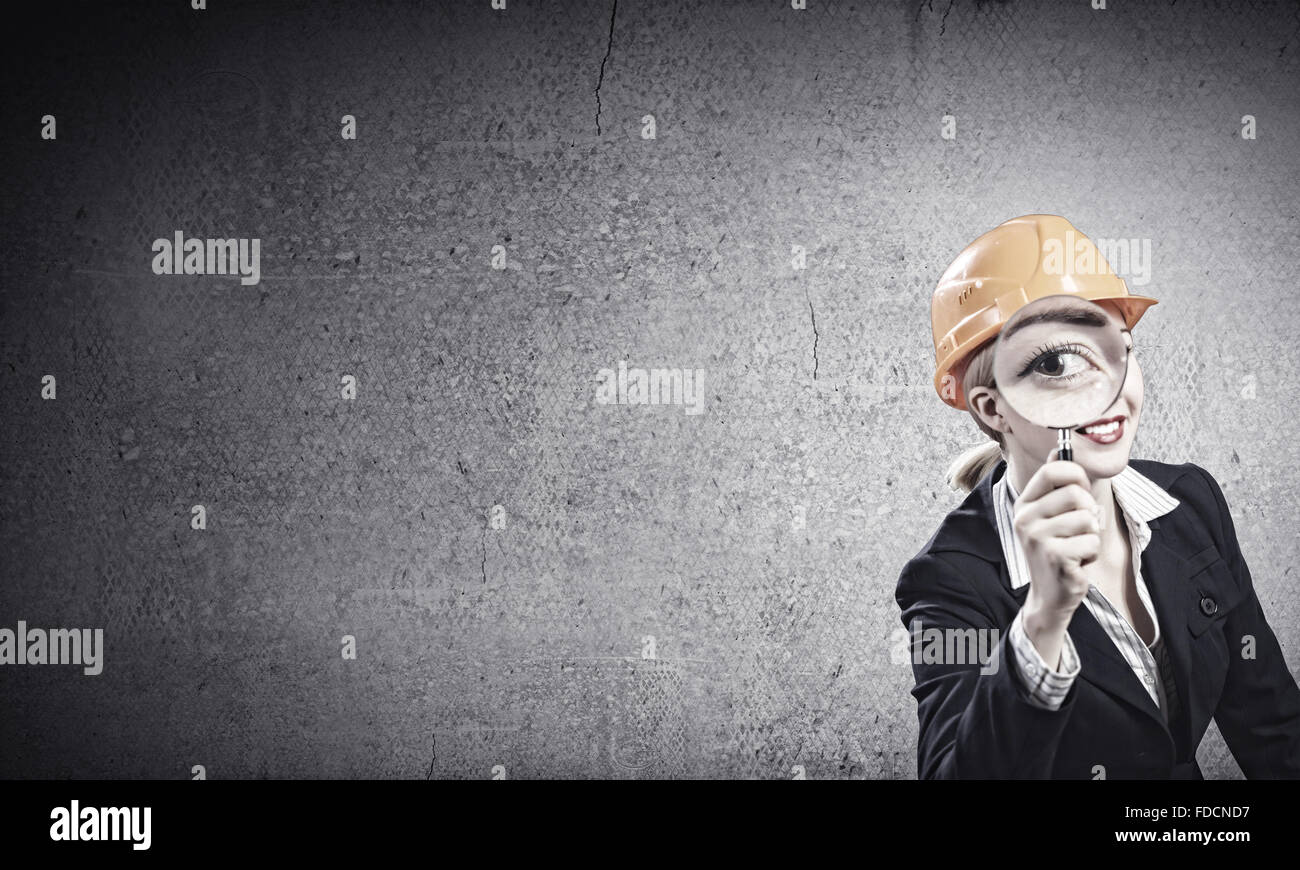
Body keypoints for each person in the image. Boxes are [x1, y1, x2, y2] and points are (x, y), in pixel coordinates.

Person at [896, 214, 1300, 778]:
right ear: (992, 408)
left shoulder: (1192, 503)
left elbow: (1273, 725)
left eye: (1120, 350)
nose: (1110, 391)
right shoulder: (951, 580)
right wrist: (1041, 621)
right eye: (1058, 362)